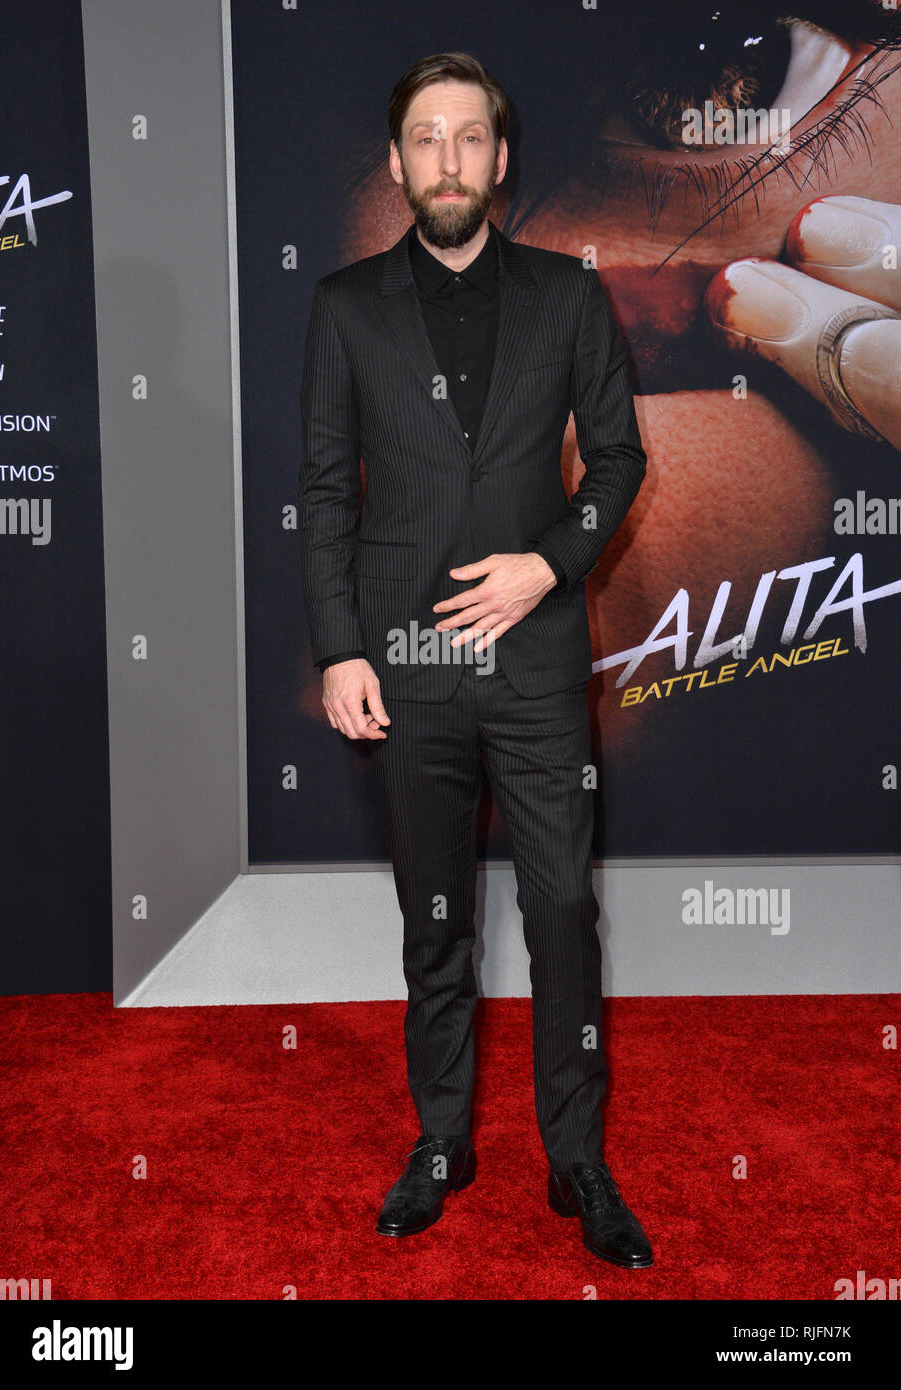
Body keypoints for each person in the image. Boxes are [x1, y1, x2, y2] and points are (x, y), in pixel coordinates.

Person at [299, 51, 652, 1268]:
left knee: (562, 913)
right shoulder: (344, 307)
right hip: (405, 668)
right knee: (434, 923)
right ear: (398, 164)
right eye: (424, 139)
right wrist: (340, 650)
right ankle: (440, 1145)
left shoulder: (569, 294)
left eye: (469, 137)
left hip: (540, 660)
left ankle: (578, 1159)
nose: (447, 160)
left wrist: (545, 566)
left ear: (501, 161)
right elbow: (320, 494)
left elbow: (618, 464)